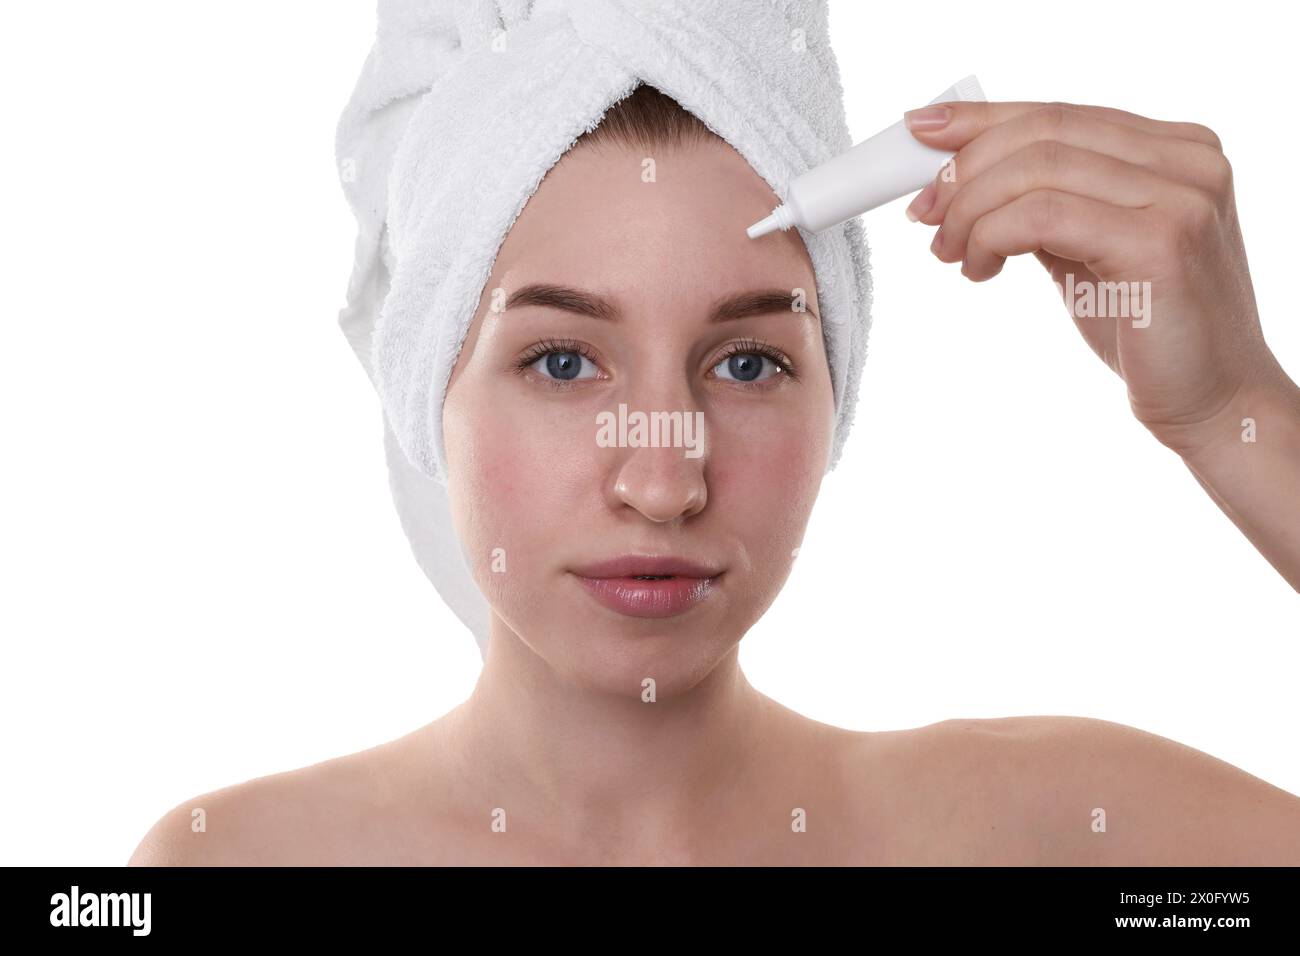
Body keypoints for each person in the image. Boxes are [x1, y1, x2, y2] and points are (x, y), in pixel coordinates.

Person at [129, 84, 1300, 866]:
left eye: (746, 361)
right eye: (562, 359)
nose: (662, 479)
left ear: (837, 395)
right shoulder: (236, 860)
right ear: (424, 390)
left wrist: (1234, 408)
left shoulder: (1051, 834)